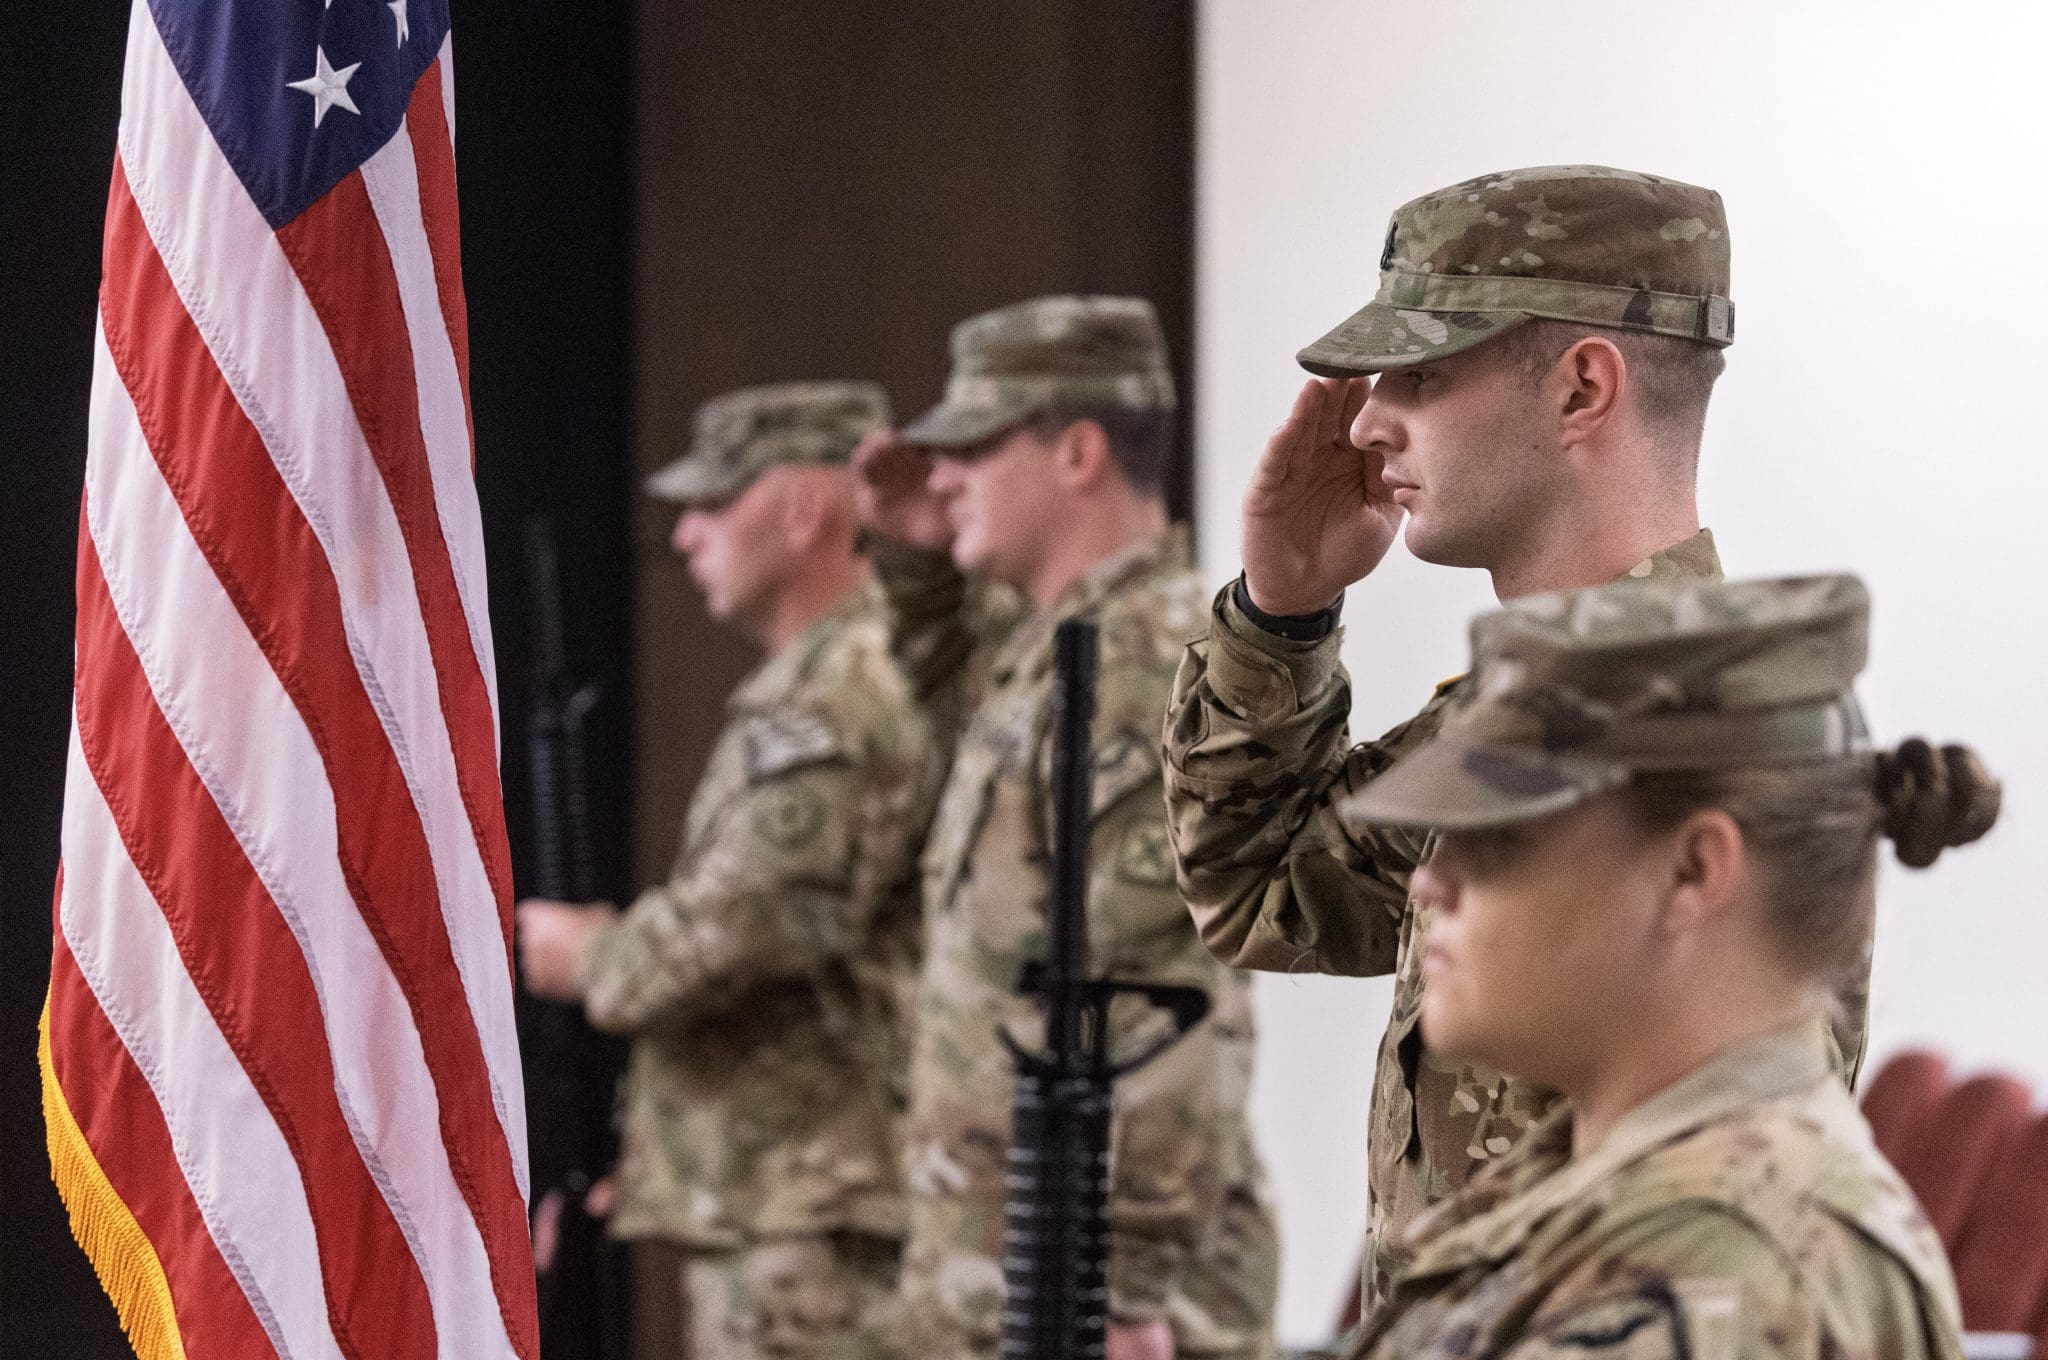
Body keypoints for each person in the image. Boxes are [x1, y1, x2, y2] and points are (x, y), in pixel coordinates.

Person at [1158, 165, 1878, 1302]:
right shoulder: (1544, 707)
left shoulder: (1687, 731)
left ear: (1582, 389)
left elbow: (1707, 1237)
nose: (1366, 420)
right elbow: (1259, 892)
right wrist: (1279, 613)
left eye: (1422, 372)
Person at [1333, 571, 1998, 1360]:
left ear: (1692, 871)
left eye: (1500, 838)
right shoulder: (1615, 1189)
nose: (1431, 881)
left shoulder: (1721, 1276)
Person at [854, 295, 1278, 1360]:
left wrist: (1118, 1286)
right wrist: (918, 562)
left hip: (1085, 1292)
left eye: (974, 447)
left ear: (1079, 452)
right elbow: (943, 696)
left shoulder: (1143, 660)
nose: (941, 476)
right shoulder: (1059, 642)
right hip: (1013, 1267)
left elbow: (1162, 987)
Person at [518, 381, 942, 1360]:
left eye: (715, 502)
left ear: (806, 509)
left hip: (818, 1213)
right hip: (789, 1194)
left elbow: (753, 924)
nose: (686, 535)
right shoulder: (822, 679)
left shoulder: (843, 688)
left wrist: (593, 957)